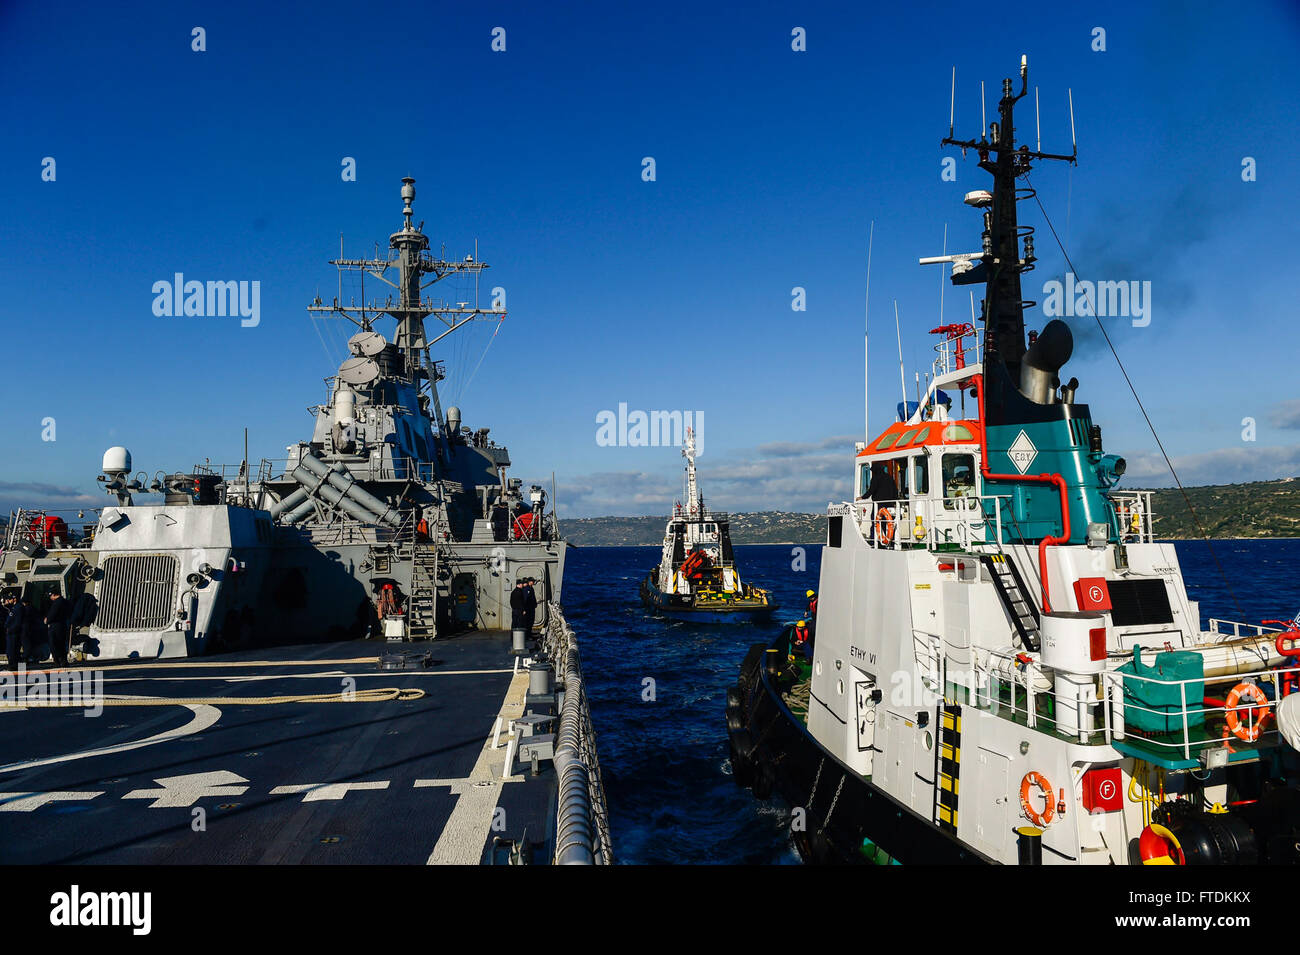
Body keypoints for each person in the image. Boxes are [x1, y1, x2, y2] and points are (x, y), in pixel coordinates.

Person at [44, 590, 71, 667]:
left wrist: (47, 620)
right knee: (62, 644)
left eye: (50, 596)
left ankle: (57, 661)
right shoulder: (65, 602)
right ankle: (64, 660)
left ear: (53, 595)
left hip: (55, 626)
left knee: (54, 644)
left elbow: (53, 614)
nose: (50, 598)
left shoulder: (57, 603)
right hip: (63, 625)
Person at [3, 593, 25, 669]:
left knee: (12, 650)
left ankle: (13, 666)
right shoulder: (14, 608)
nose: (8, 601)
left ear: (14, 599)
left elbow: (18, 622)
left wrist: (11, 629)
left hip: (13, 633)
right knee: (10, 650)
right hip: (11, 633)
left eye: (9, 599)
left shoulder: (18, 608)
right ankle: (13, 665)